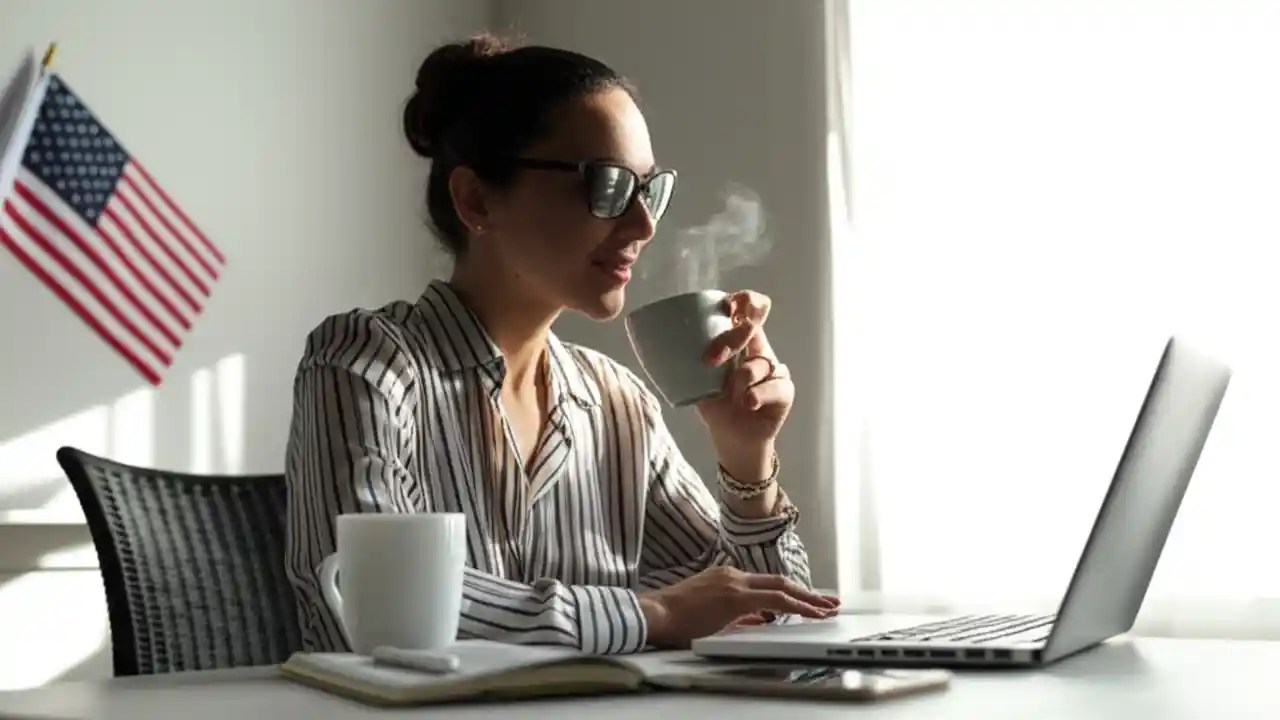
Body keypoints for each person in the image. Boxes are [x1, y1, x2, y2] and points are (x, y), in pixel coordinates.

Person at [283, 33, 838, 654]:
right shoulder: (365, 362)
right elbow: (369, 610)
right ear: (476, 198)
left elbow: (773, 620)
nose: (644, 225)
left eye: (648, 190)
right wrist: (652, 613)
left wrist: (746, 456)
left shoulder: (617, 401)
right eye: (606, 185)